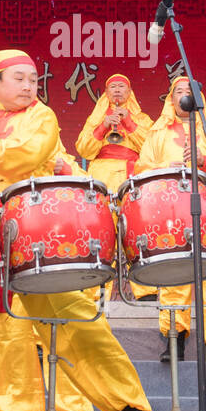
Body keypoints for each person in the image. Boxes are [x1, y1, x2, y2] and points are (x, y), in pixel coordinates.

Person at [0, 20, 157, 411]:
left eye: (33, 79)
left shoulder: (41, 116)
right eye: (19, 79)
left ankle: (130, 407)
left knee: (76, 318)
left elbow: (24, 154)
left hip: (28, 230)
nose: (30, 86)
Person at [0, 135, 99, 411]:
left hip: (55, 259)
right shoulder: (2, 157)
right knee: (15, 338)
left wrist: (63, 168)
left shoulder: (59, 156)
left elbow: (87, 188)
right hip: (15, 258)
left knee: (67, 334)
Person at [134, 76, 206, 364]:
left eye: (190, 90)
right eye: (179, 91)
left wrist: (204, 161)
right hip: (169, 211)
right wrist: (167, 166)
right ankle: (174, 338)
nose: (184, 95)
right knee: (173, 272)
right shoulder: (157, 133)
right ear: (170, 98)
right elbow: (141, 167)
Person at [75, 73, 157, 300]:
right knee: (101, 231)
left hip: (133, 176)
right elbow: (83, 149)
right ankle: (95, 289)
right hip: (102, 174)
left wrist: (129, 123)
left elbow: (152, 146)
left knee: (136, 229)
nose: (118, 90)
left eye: (122, 86)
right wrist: (103, 127)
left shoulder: (142, 118)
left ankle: (146, 290)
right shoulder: (96, 117)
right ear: (106, 93)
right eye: (113, 87)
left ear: (130, 92)